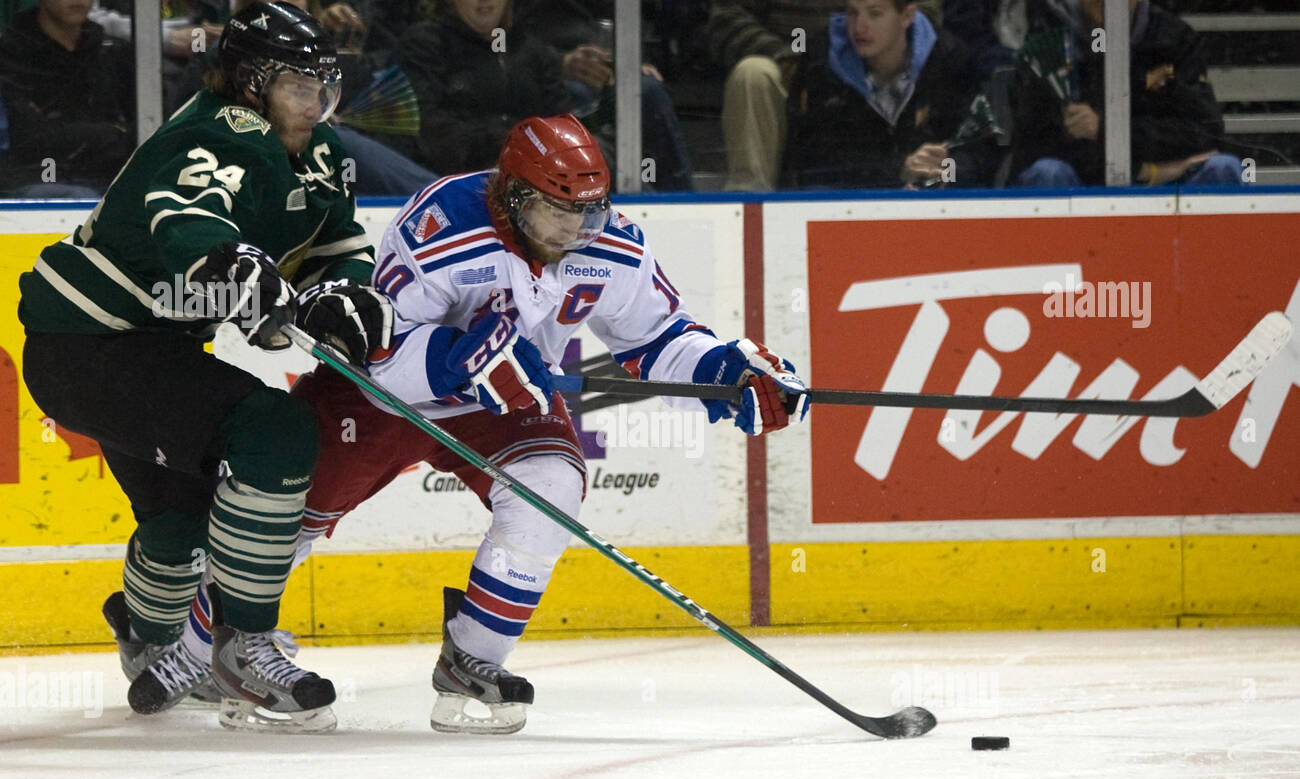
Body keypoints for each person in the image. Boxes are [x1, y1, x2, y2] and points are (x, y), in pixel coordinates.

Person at [168, 114, 811, 734]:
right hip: (383, 397)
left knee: (552, 489)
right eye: (558, 212)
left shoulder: (609, 241)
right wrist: (458, 359)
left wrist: (724, 374)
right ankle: (204, 651)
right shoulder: (443, 223)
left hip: (506, 401)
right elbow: (380, 346)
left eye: (589, 211)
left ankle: (472, 658)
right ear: (512, 195)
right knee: (287, 516)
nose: (575, 229)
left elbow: (657, 337)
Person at [19, 1, 392, 733]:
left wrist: (348, 294)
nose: (314, 102)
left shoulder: (316, 152)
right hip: (91, 343)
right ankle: (242, 646)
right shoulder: (213, 132)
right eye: (296, 85)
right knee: (274, 430)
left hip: (143, 346)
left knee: (183, 518)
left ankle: (145, 630)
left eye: (322, 85)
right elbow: (189, 223)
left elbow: (336, 242)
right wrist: (239, 268)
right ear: (251, 83)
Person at [1010, 0, 1242, 187]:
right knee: (1048, 172)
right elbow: (1031, 147)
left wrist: (1106, 130)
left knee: (1223, 168)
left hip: (1164, 183)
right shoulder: (1050, 42)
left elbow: (1205, 131)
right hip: (1085, 185)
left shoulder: (1175, 39)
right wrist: (1148, 171)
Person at [782, 0, 997, 189]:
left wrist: (944, 173)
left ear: (907, 16)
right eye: (852, 12)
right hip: (846, 206)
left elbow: (979, 150)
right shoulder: (820, 61)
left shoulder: (950, 58)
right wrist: (897, 171)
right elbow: (810, 163)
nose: (859, 27)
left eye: (875, 13)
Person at [515, 0, 696, 191]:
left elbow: (621, 16)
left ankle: (683, 201)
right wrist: (560, 63)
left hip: (602, 62)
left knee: (648, 91)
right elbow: (508, 41)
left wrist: (631, 58)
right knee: (580, 97)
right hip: (547, 76)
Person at [396, 0, 573, 175]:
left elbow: (560, 120)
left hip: (532, 176)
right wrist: (498, 148)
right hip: (449, 177)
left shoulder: (530, 49)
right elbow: (426, 123)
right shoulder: (426, 43)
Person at [0, 0, 134, 197]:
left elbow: (148, 121)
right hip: (34, 180)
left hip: (110, 176)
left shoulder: (112, 51)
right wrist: (109, 134)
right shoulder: (10, 55)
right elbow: (30, 137)